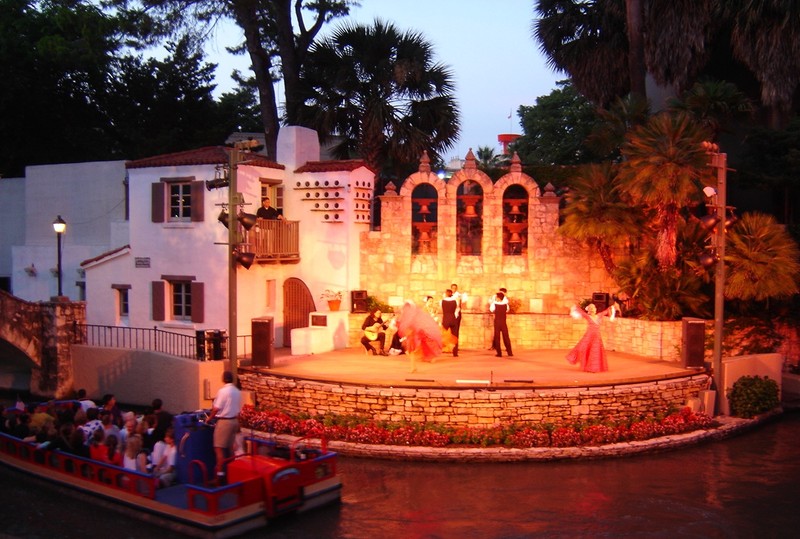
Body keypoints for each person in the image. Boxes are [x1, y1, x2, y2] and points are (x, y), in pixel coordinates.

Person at [207, 371, 243, 483]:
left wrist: (209, 418)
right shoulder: (237, 392)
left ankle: (220, 476)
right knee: (230, 448)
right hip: (234, 421)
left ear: (223, 379)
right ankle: (231, 473)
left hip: (225, 422)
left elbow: (216, 408)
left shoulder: (223, 391)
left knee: (218, 448)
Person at [396, 300, 443, 373]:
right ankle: (413, 367)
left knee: (411, 352)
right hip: (411, 337)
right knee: (411, 353)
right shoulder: (411, 317)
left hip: (411, 337)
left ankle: (413, 368)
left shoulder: (411, 318)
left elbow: (412, 328)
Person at [566, 303, 614, 372]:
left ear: (595, 309)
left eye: (593, 308)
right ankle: (584, 364)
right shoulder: (588, 316)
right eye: (591, 308)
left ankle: (593, 367)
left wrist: (612, 307)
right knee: (583, 348)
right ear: (589, 310)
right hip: (589, 336)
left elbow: (606, 311)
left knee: (595, 351)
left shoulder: (599, 315)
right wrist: (575, 307)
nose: (592, 310)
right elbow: (580, 312)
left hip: (597, 337)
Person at [490, 291, 513, 357]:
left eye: (497, 297)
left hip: (497, 322)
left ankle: (499, 353)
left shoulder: (494, 304)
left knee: (497, 338)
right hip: (503, 322)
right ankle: (509, 352)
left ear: (499, 298)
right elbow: (507, 310)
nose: (496, 298)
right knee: (506, 337)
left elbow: (491, 310)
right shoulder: (506, 304)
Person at [440, 289, 460, 357]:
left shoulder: (442, 301)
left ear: (446, 294)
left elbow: (441, 308)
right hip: (453, 318)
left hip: (446, 318)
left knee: (442, 334)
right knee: (455, 335)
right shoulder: (455, 301)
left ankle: (440, 349)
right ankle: (455, 352)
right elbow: (457, 309)